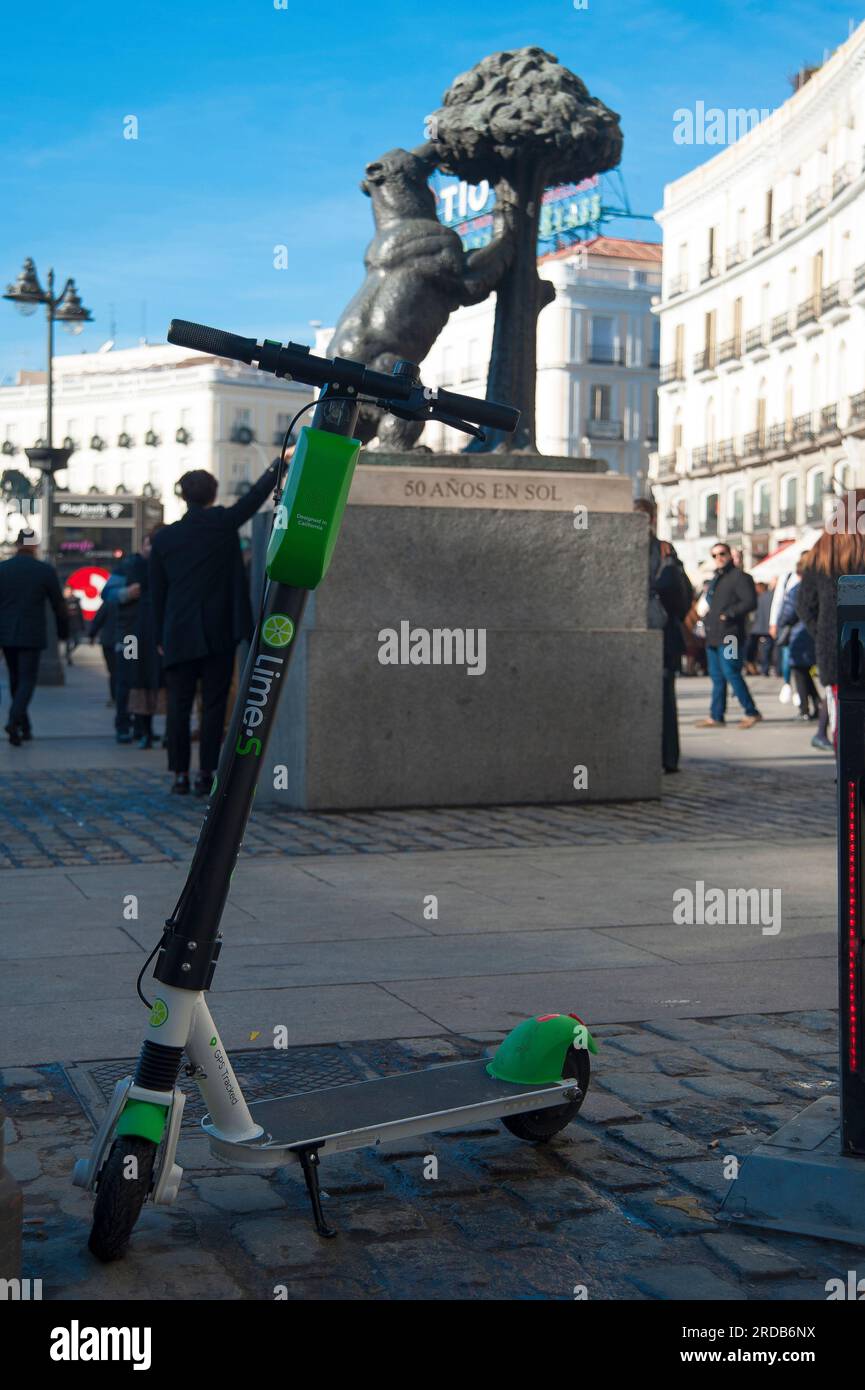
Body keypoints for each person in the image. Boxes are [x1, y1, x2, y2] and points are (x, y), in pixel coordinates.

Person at [151, 461, 279, 795]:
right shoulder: (223, 523)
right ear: (214, 494)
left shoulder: (165, 540)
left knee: (177, 708)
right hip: (218, 631)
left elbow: (156, 595)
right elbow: (253, 499)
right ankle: (206, 773)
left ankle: (179, 774)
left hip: (177, 634)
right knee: (214, 706)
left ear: (182, 497)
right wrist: (279, 464)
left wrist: (158, 637)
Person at [797, 492, 865, 752]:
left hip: (835, 649)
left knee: (843, 723)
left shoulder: (821, 551)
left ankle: (847, 783)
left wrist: (826, 633)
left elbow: (805, 606)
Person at [635, 499, 693, 773]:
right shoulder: (666, 550)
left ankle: (653, 755)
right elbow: (683, 595)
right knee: (665, 696)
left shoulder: (654, 550)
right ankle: (667, 757)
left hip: (648, 628)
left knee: (656, 694)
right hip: (664, 629)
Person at [0, 527, 69, 745]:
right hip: (31, 632)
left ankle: (24, 726)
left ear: (17, 544)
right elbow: (59, 604)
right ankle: (14, 720)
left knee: (15, 678)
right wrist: (63, 632)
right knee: (27, 680)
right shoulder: (44, 571)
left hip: (6, 633)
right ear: (35, 545)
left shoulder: (3, 569)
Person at [695, 540, 761, 729]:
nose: (719, 558)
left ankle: (751, 711)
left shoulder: (740, 577)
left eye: (722, 553)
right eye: (714, 555)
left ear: (730, 555)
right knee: (717, 677)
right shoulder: (717, 578)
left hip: (730, 635)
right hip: (713, 635)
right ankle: (716, 715)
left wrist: (729, 614)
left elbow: (750, 602)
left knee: (731, 673)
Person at [126, 529, 165, 749]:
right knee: (139, 677)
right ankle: (143, 730)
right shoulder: (137, 565)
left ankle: (154, 732)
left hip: (153, 627)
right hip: (139, 632)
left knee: (160, 679)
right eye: (148, 544)